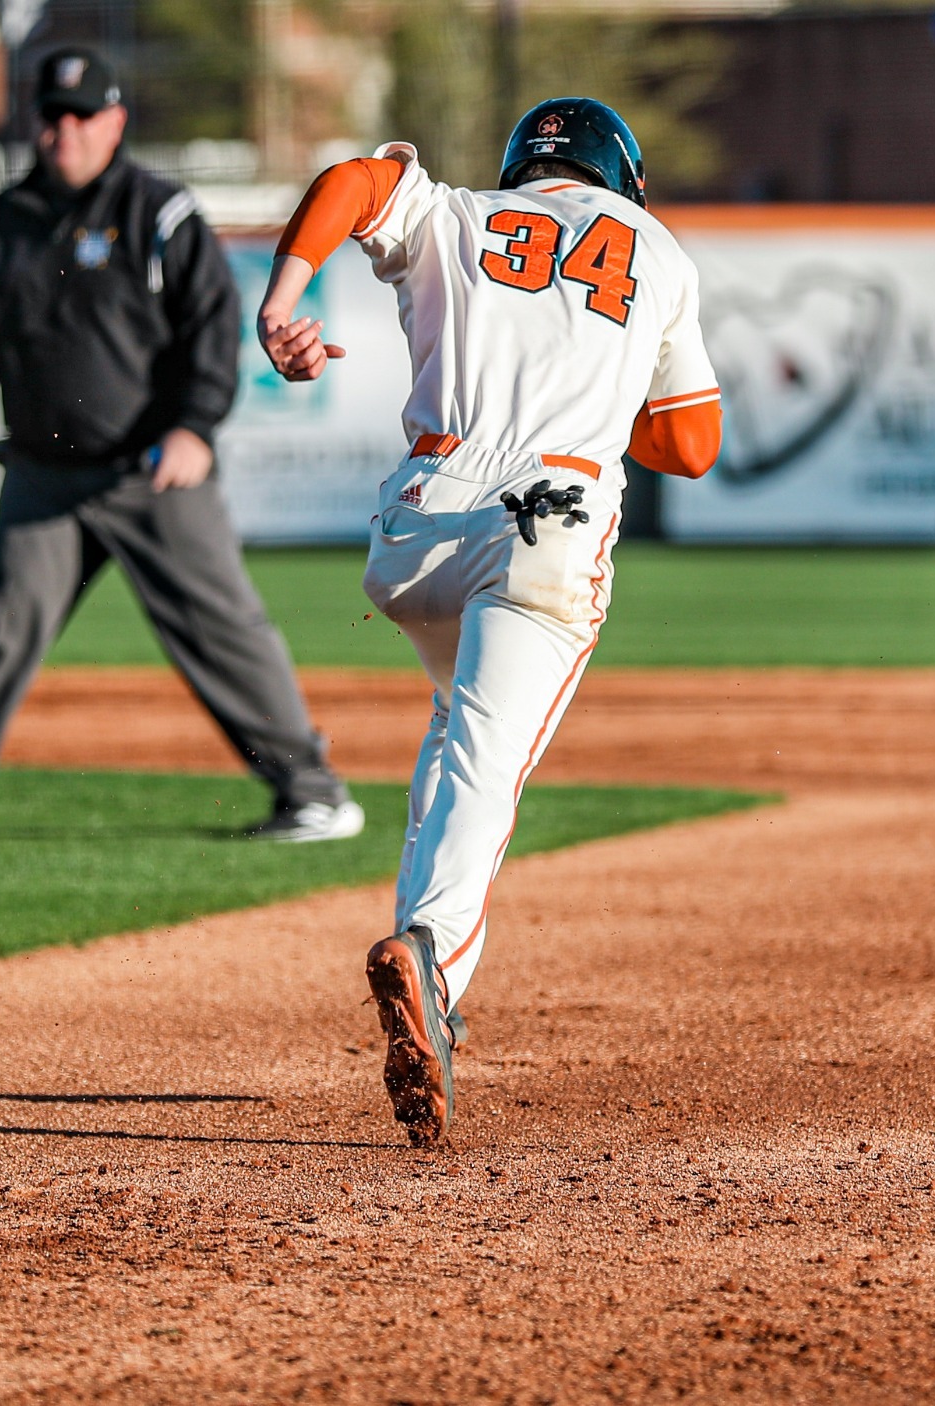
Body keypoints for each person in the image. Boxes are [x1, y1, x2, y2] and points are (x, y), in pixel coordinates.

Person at [256, 98, 722, 1146]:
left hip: (416, 522)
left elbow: (354, 182)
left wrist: (283, 299)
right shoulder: (657, 250)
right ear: (623, 178)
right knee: (488, 752)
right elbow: (692, 443)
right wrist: (598, 396)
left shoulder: (459, 214)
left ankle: (429, 948)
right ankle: (433, 960)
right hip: (546, 517)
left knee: (457, 726)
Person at [0, 47, 360, 848]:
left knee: (221, 630)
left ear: (116, 121)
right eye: (53, 114)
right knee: (1, 626)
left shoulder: (161, 213)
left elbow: (213, 334)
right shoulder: (0, 227)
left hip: (152, 467)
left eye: (84, 114)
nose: (66, 130)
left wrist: (192, 427)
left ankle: (313, 794)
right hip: (45, 477)